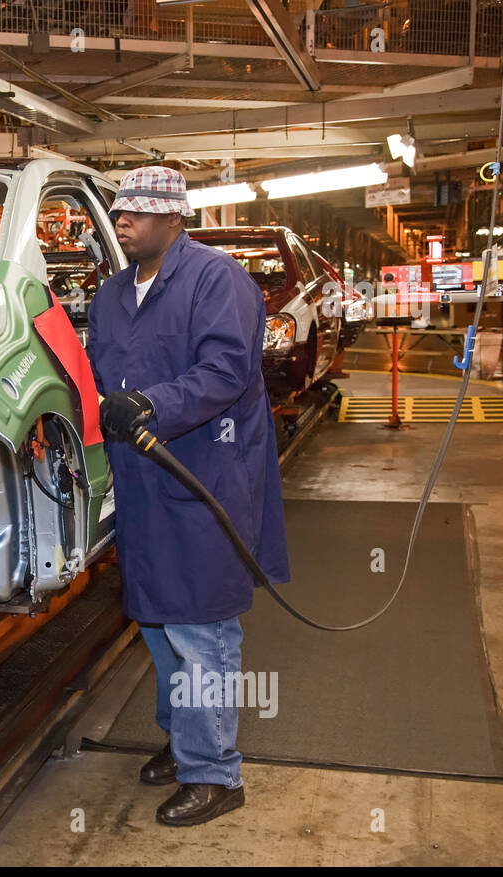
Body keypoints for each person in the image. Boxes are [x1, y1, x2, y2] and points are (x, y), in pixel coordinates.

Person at [86, 166, 291, 826]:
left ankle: (215, 774)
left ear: (176, 219)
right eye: (120, 212)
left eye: (139, 213)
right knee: (158, 622)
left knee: (201, 626)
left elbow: (228, 371)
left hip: (202, 477)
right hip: (141, 487)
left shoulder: (215, 278)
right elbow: (95, 375)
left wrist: (149, 403)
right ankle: (186, 745)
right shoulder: (112, 293)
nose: (125, 221)